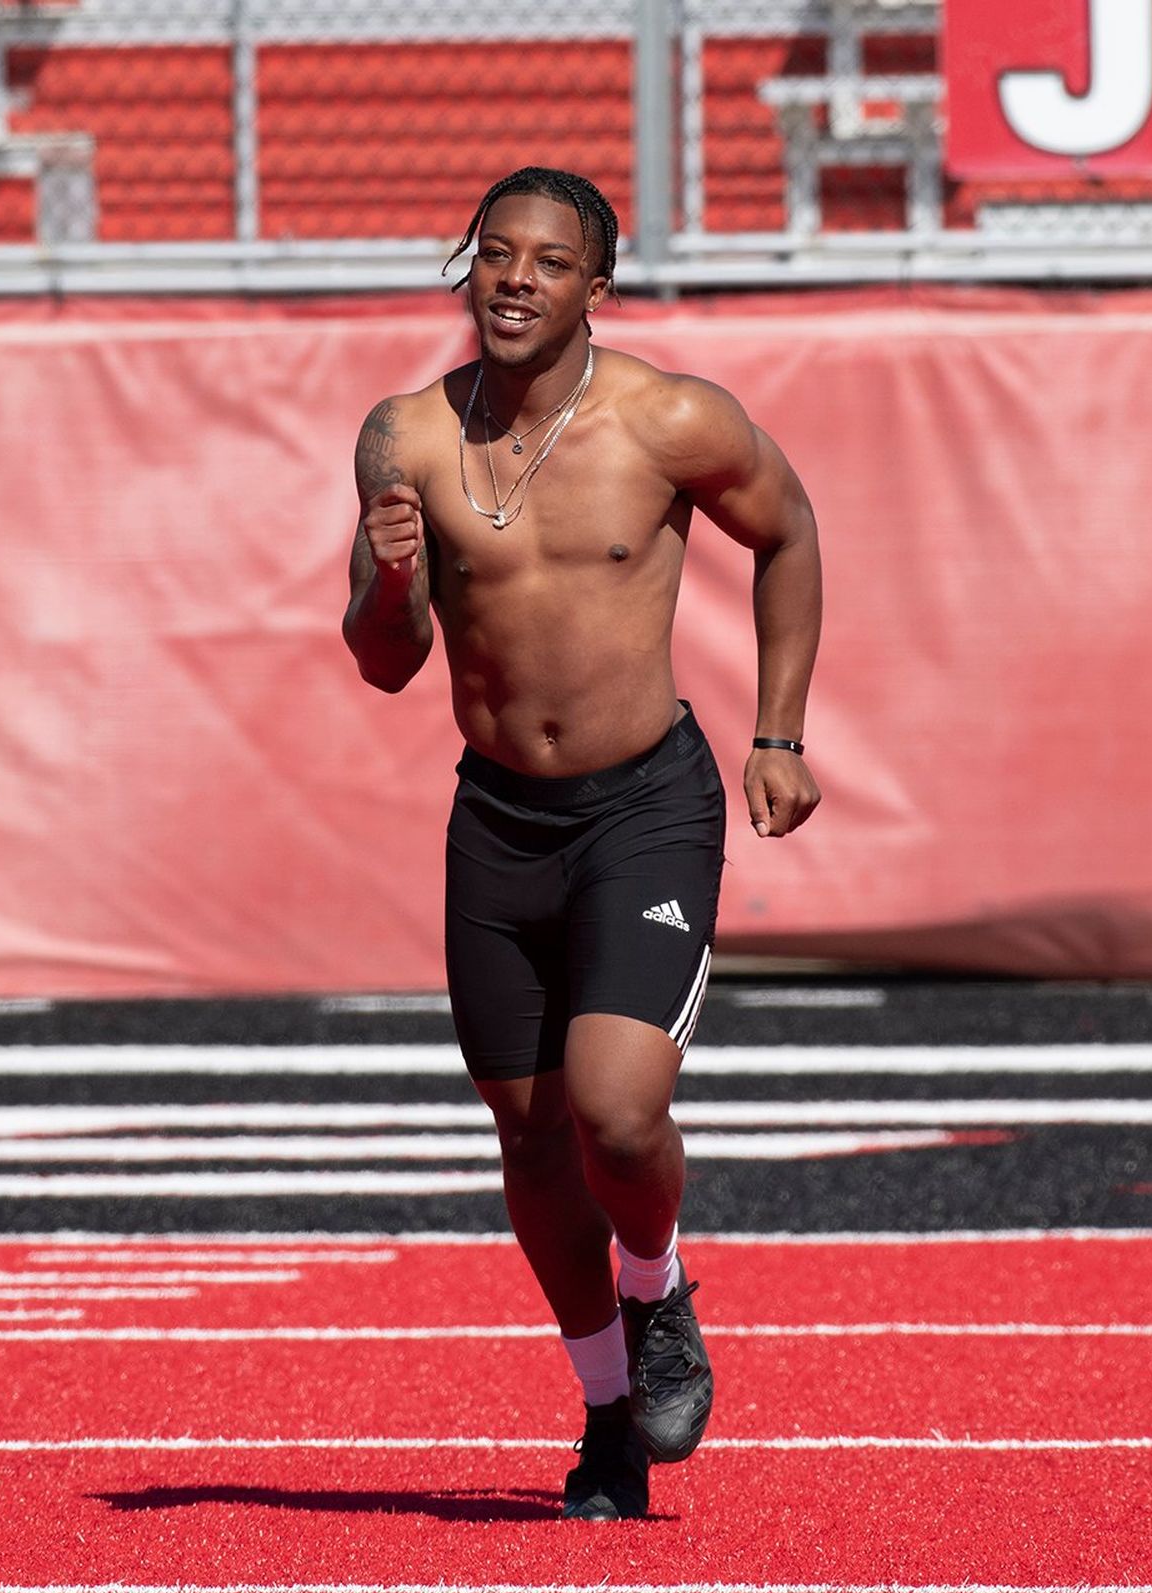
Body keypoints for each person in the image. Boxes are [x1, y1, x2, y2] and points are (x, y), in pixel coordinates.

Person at [342, 167, 823, 1521]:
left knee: (616, 1110)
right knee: (532, 1133)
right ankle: (608, 1411)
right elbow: (384, 661)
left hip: (643, 807)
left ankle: (657, 1288)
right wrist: (393, 575)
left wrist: (778, 734)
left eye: (550, 262)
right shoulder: (405, 436)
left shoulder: (670, 419)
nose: (515, 281)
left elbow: (789, 532)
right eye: (495, 254)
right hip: (500, 818)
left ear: (596, 287)